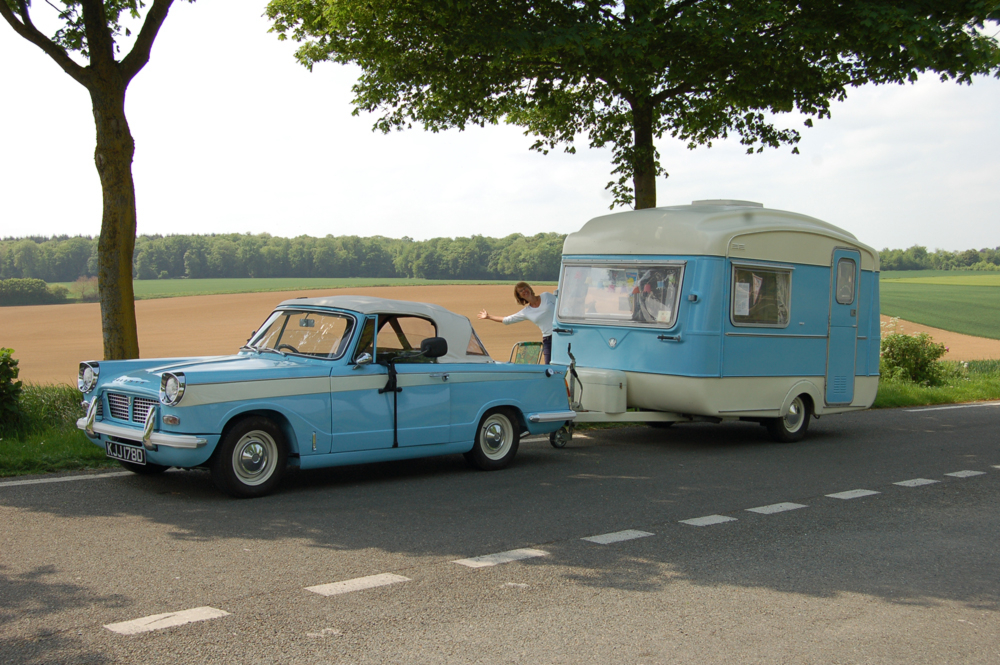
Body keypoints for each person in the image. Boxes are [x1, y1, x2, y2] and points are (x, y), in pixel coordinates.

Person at [479, 282, 557, 364]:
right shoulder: (526, 312)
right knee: (548, 366)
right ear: (519, 296)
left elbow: (562, 306)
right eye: (521, 291)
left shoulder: (546, 296)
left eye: (525, 288)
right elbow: (507, 320)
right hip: (548, 339)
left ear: (529, 288)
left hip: (562, 333)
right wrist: (488, 316)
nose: (524, 291)